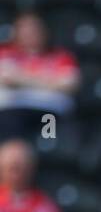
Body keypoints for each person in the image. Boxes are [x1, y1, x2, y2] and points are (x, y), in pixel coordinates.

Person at [0, 10, 80, 142]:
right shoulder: (5, 54)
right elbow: (4, 78)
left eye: (34, 28)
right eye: (24, 29)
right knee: (12, 142)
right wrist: (46, 82)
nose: (30, 33)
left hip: (48, 111)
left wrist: (21, 79)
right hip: (11, 111)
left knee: (49, 142)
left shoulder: (61, 57)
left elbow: (70, 84)